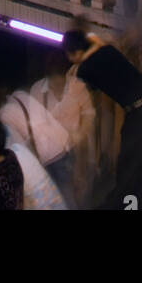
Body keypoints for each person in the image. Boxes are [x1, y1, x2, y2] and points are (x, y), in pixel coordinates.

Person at [62, 29, 142, 207]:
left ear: (73, 53)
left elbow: (74, 89)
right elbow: (94, 37)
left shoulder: (84, 69)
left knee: (127, 165)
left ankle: (125, 204)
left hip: (138, 113)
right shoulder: (107, 50)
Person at [31, 52, 97, 208]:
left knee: (70, 195)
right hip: (47, 153)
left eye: (61, 83)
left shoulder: (77, 86)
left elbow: (89, 113)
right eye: (54, 84)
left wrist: (80, 134)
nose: (58, 88)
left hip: (72, 150)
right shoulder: (37, 90)